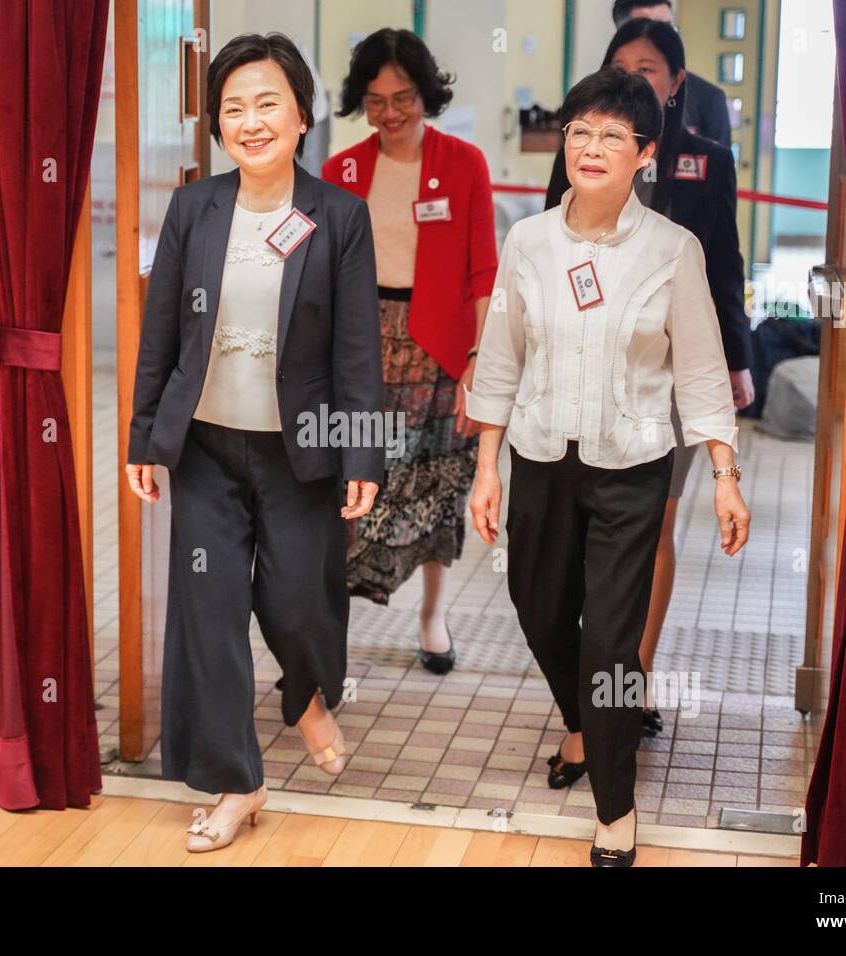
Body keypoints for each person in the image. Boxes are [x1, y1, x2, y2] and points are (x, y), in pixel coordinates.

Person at [465, 66, 750, 866]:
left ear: (644, 154)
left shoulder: (672, 251)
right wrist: (487, 466)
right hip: (541, 458)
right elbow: (499, 360)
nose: (591, 147)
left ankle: (615, 810)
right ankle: (588, 723)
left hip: (632, 469)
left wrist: (724, 473)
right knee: (536, 606)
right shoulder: (528, 241)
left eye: (612, 136)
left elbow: (698, 370)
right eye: (580, 131)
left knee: (611, 647)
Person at [126, 32, 385, 853]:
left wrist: (363, 454)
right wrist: (144, 437)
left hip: (299, 449)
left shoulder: (338, 215)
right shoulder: (195, 208)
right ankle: (238, 781)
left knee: (296, 604)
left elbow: (357, 349)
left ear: (302, 114)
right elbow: (160, 330)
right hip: (205, 447)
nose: (250, 120)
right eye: (233, 107)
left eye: (267, 101)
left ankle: (306, 696)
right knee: (209, 614)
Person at [545, 17, 755, 740]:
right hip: (583, 366)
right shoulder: (584, 150)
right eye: (621, 65)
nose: (635, 78)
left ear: (676, 85)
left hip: (669, 376)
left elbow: (723, 265)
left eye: (650, 67)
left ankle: (630, 675)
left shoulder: (707, 158)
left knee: (652, 524)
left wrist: (736, 361)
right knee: (575, 531)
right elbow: (548, 248)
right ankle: (592, 679)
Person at [322, 28, 497, 674]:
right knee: (348, 486)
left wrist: (480, 358)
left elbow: (484, 271)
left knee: (434, 486)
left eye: (403, 97)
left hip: (439, 347)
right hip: (363, 345)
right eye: (374, 100)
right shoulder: (342, 169)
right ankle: (324, 630)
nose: (390, 113)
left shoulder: (465, 164)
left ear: (427, 93)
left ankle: (433, 619)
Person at [611, 0, 732, 147]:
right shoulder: (598, 95)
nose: (662, 39)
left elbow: (718, 164)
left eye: (669, 28)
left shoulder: (708, 98)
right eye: (647, 28)